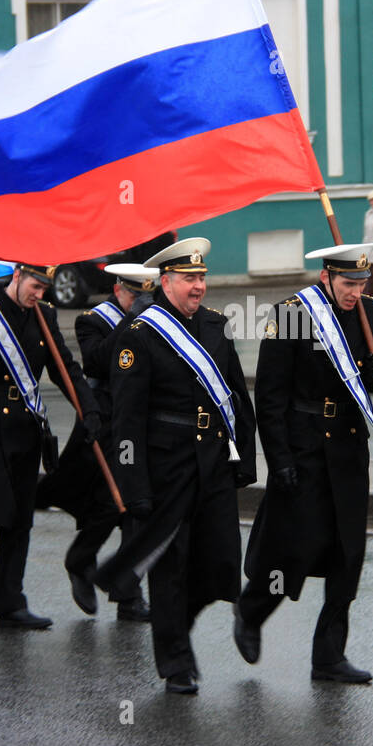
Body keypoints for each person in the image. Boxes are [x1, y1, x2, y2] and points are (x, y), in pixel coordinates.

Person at [96, 238, 257, 694]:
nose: (199, 287)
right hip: (166, 468)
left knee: (221, 560)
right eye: (189, 279)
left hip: (212, 462)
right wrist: (133, 485)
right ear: (165, 282)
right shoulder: (138, 334)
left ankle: (204, 628)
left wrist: (245, 456)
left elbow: (236, 397)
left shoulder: (215, 326)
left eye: (202, 278)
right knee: (170, 569)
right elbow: (125, 419)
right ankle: (175, 663)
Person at [233, 244, 373, 684]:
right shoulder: (291, 315)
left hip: (348, 448)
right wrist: (278, 457)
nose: (355, 293)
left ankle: (328, 656)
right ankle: (251, 610)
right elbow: (270, 394)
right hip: (304, 447)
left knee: (348, 554)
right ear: (326, 277)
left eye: (361, 284)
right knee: (295, 548)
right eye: (347, 284)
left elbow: (364, 384)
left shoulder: (371, 313)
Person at [0, 263, 100, 631]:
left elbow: (65, 369)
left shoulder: (43, 316)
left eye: (44, 288)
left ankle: (11, 604)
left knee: (19, 521)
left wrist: (89, 410)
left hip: (26, 428)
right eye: (34, 285)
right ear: (17, 275)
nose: (38, 294)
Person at [37, 263, 155, 622]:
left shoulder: (154, 320)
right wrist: (129, 322)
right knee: (110, 503)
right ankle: (80, 559)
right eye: (135, 296)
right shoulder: (92, 320)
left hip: (143, 421)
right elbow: (99, 361)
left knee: (138, 505)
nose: (141, 303)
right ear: (119, 290)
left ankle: (128, 594)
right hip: (105, 420)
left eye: (146, 297)